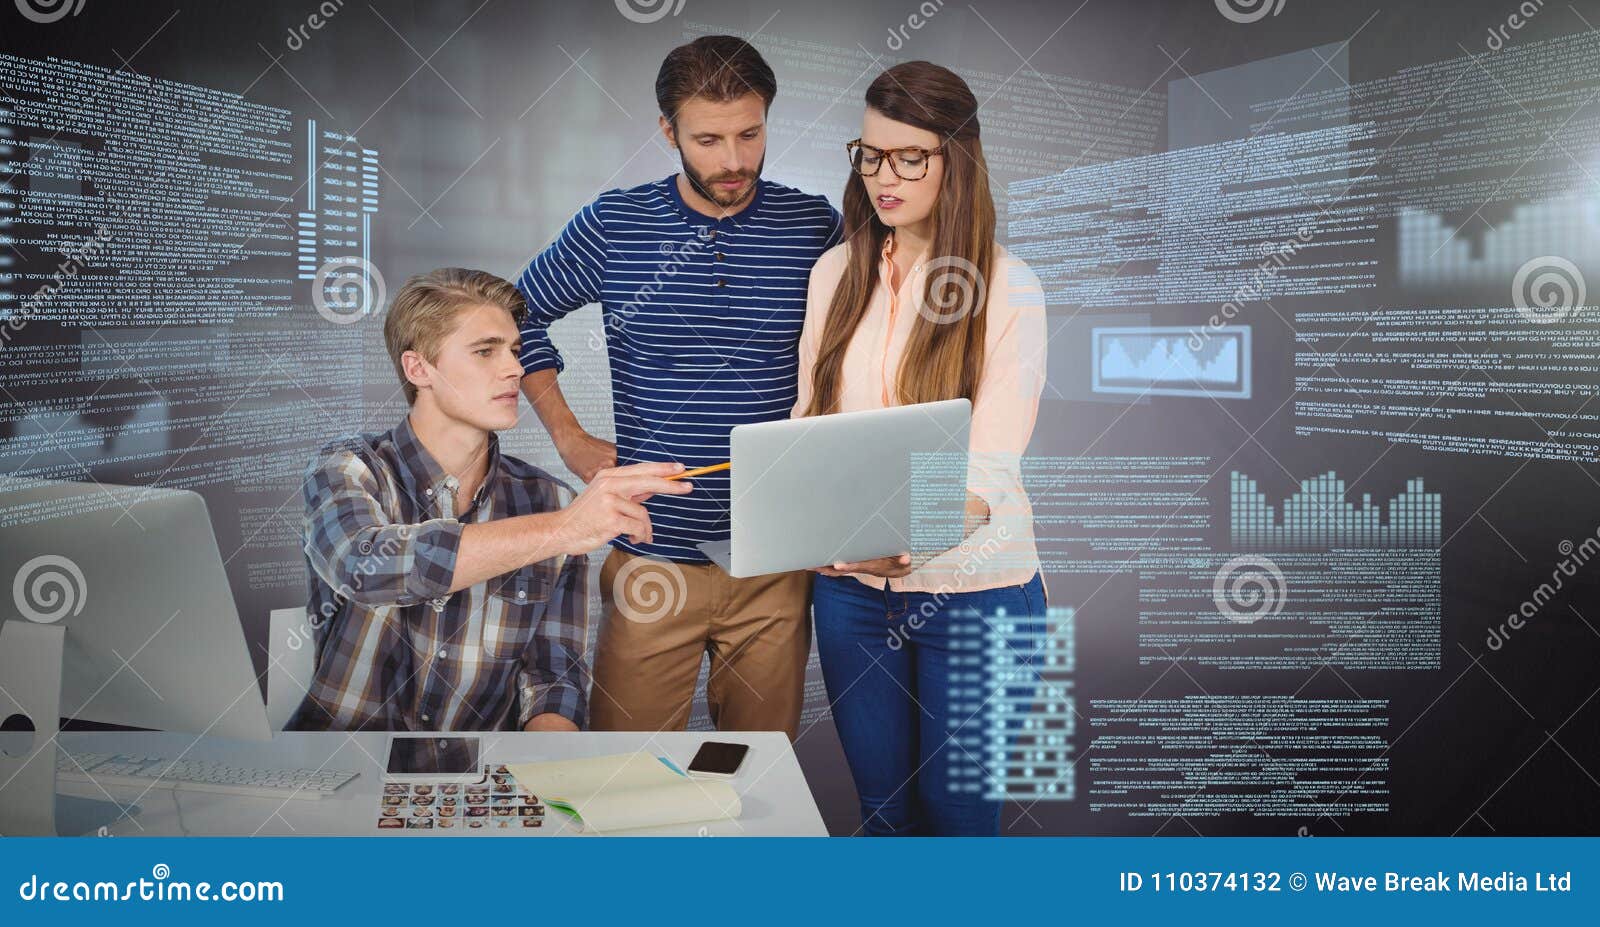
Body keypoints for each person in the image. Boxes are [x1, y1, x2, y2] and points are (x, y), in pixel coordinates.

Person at [516, 36, 842, 738]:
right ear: (668, 132)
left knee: (756, 778)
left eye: (750, 134)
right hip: (651, 557)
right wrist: (568, 436)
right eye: (709, 138)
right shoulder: (614, 224)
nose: (733, 160)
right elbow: (517, 317)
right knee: (621, 781)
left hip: (776, 564)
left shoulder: (814, 227)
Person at [793, 61, 1049, 835]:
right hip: (851, 597)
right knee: (884, 816)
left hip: (979, 594)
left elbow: (990, 468)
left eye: (910, 156)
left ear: (956, 158)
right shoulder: (834, 271)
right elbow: (813, 422)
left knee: (958, 821)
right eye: (869, 154)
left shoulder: (1010, 285)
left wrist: (897, 539)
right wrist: (810, 520)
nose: (883, 175)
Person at [287, 268, 691, 732]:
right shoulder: (349, 468)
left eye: (515, 351)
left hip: (483, 782)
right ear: (419, 368)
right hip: (345, 774)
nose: (516, 368)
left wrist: (548, 777)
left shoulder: (550, 499)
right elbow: (364, 567)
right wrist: (563, 529)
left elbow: (553, 677)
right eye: (485, 351)